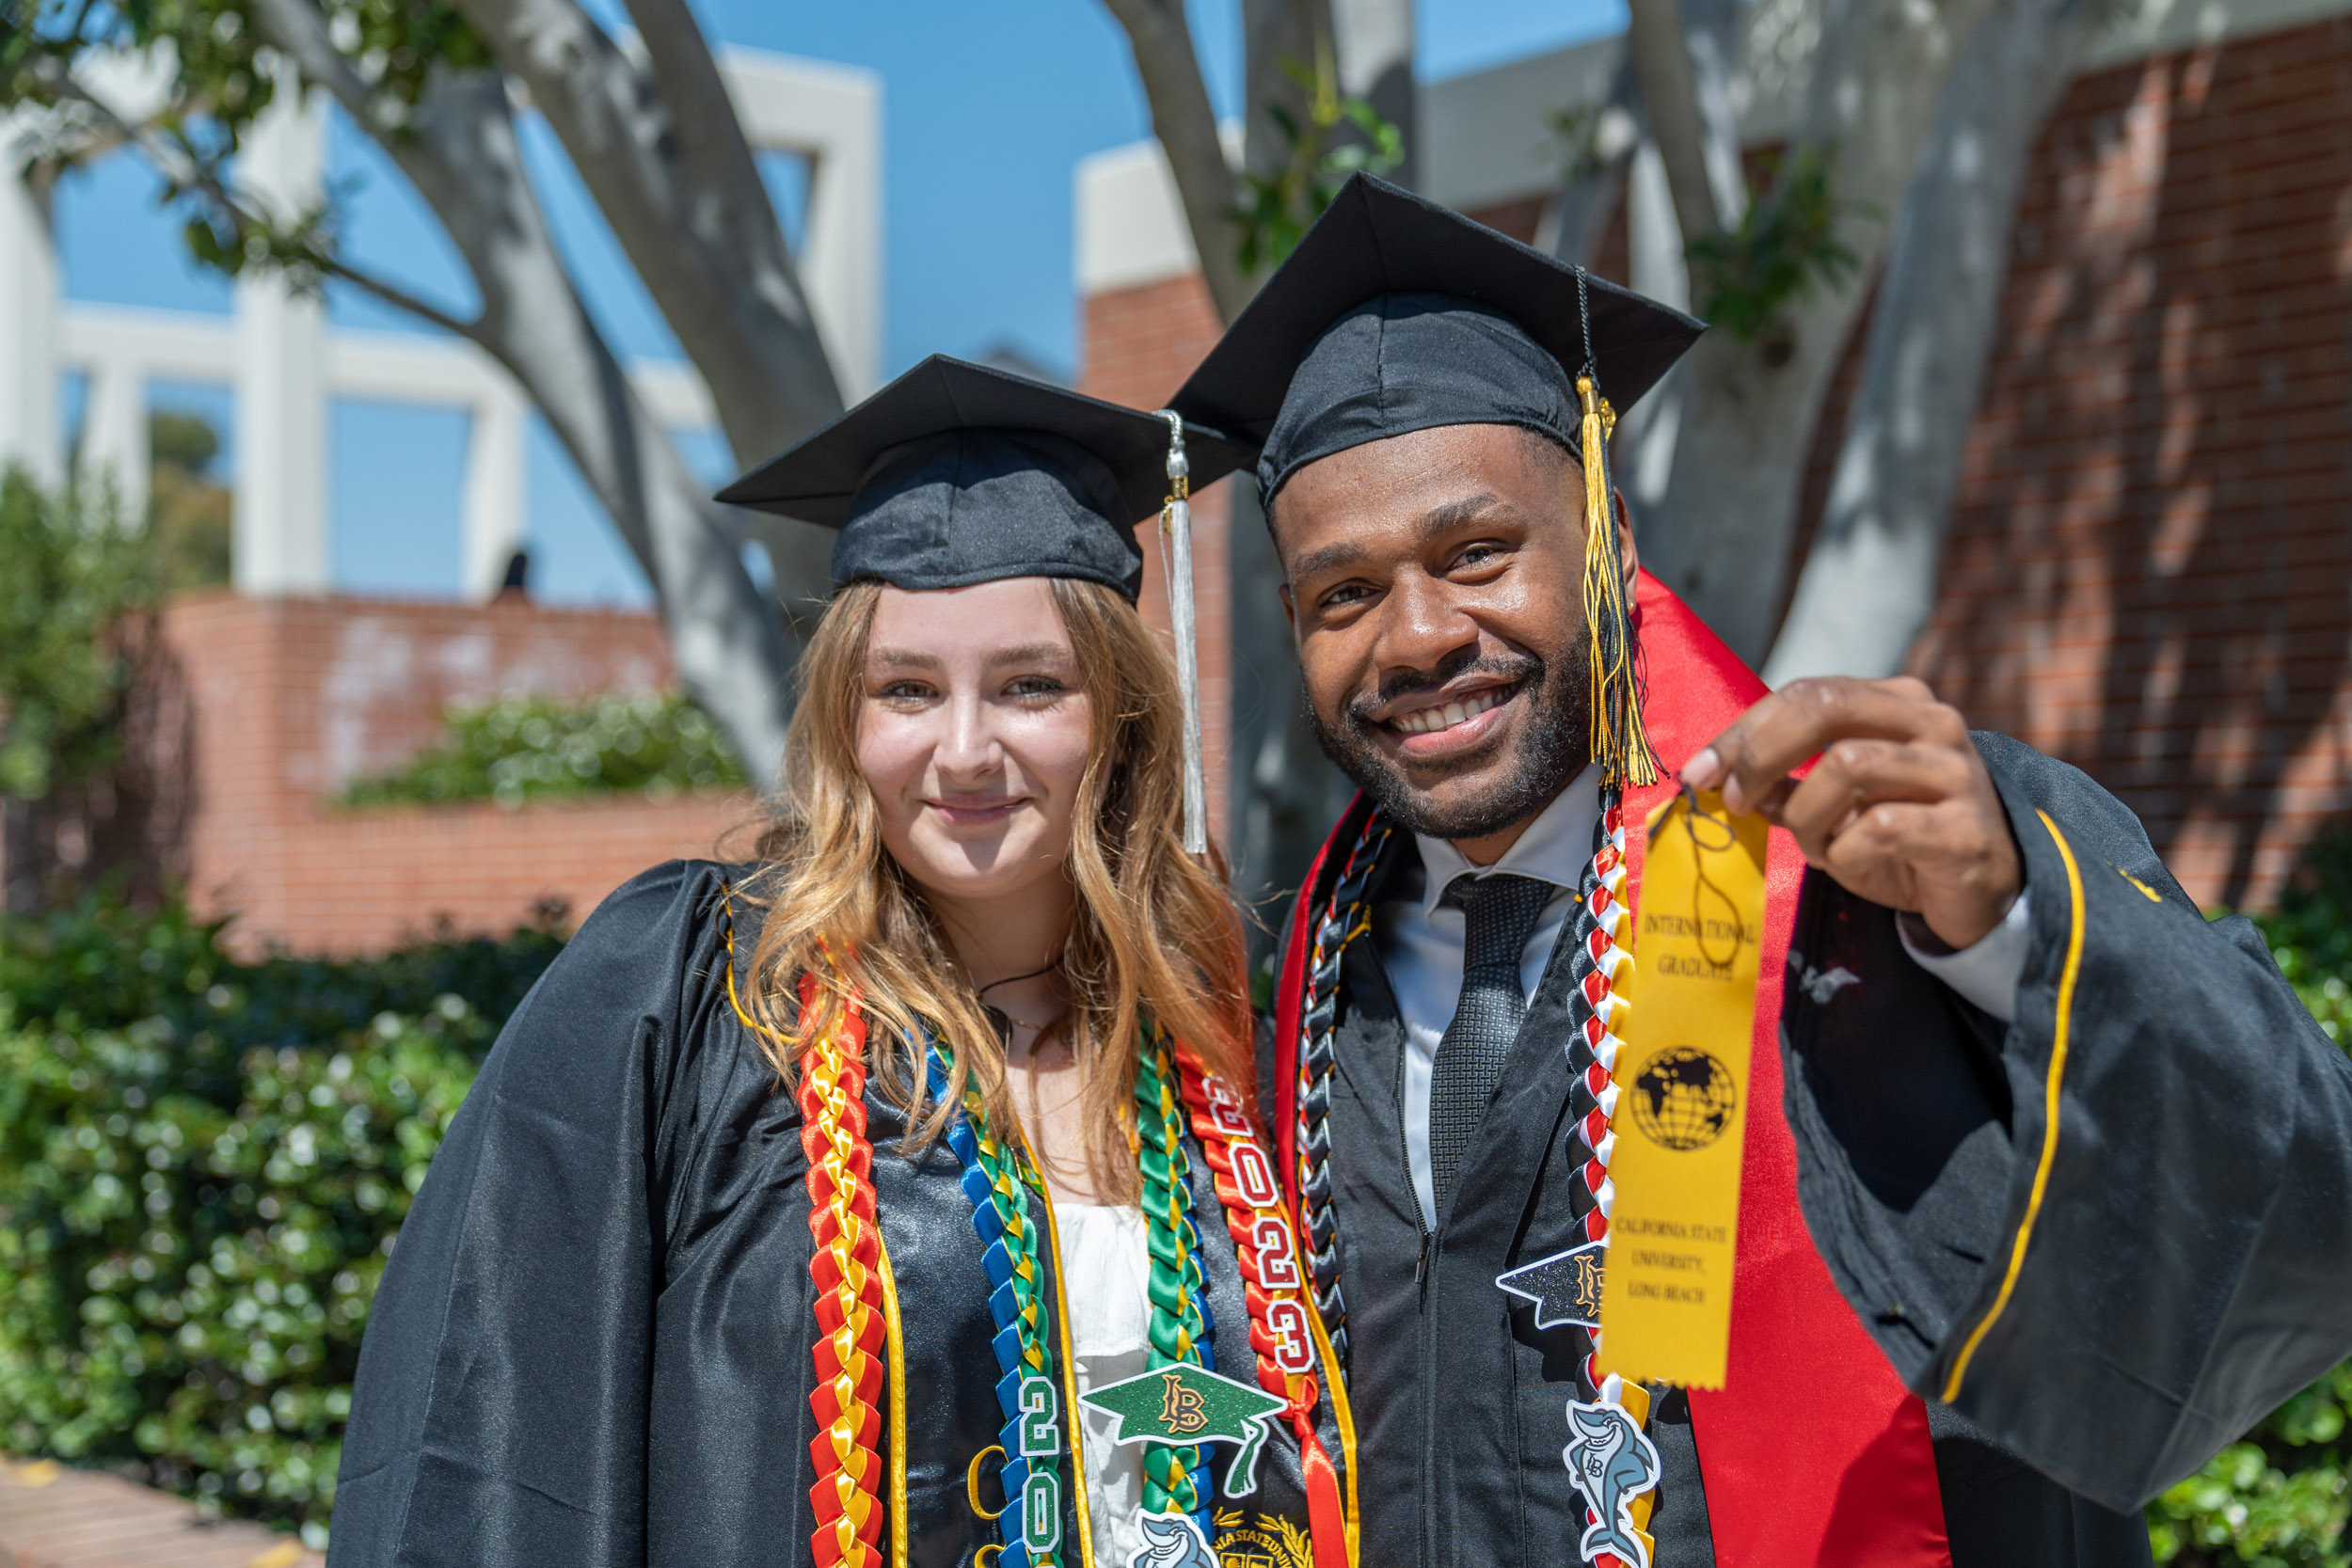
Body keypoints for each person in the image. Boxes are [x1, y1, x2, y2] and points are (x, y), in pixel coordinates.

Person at [1169, 175, 2352, 1568]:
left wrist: (2009, 942)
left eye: (1478, 551)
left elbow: (2293, 1195)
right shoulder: (1297, 993)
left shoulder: (1900, 859)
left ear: (1607, 544)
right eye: (1341, 596)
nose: (1418, 636)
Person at [326, 356, 1355, 1568]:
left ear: (1118, 718)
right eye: (907, 689)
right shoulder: (697, 998)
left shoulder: (1218, 1029)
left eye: (1030, 685)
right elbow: (492, 1428)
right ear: (845, 720)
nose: (964, 750)